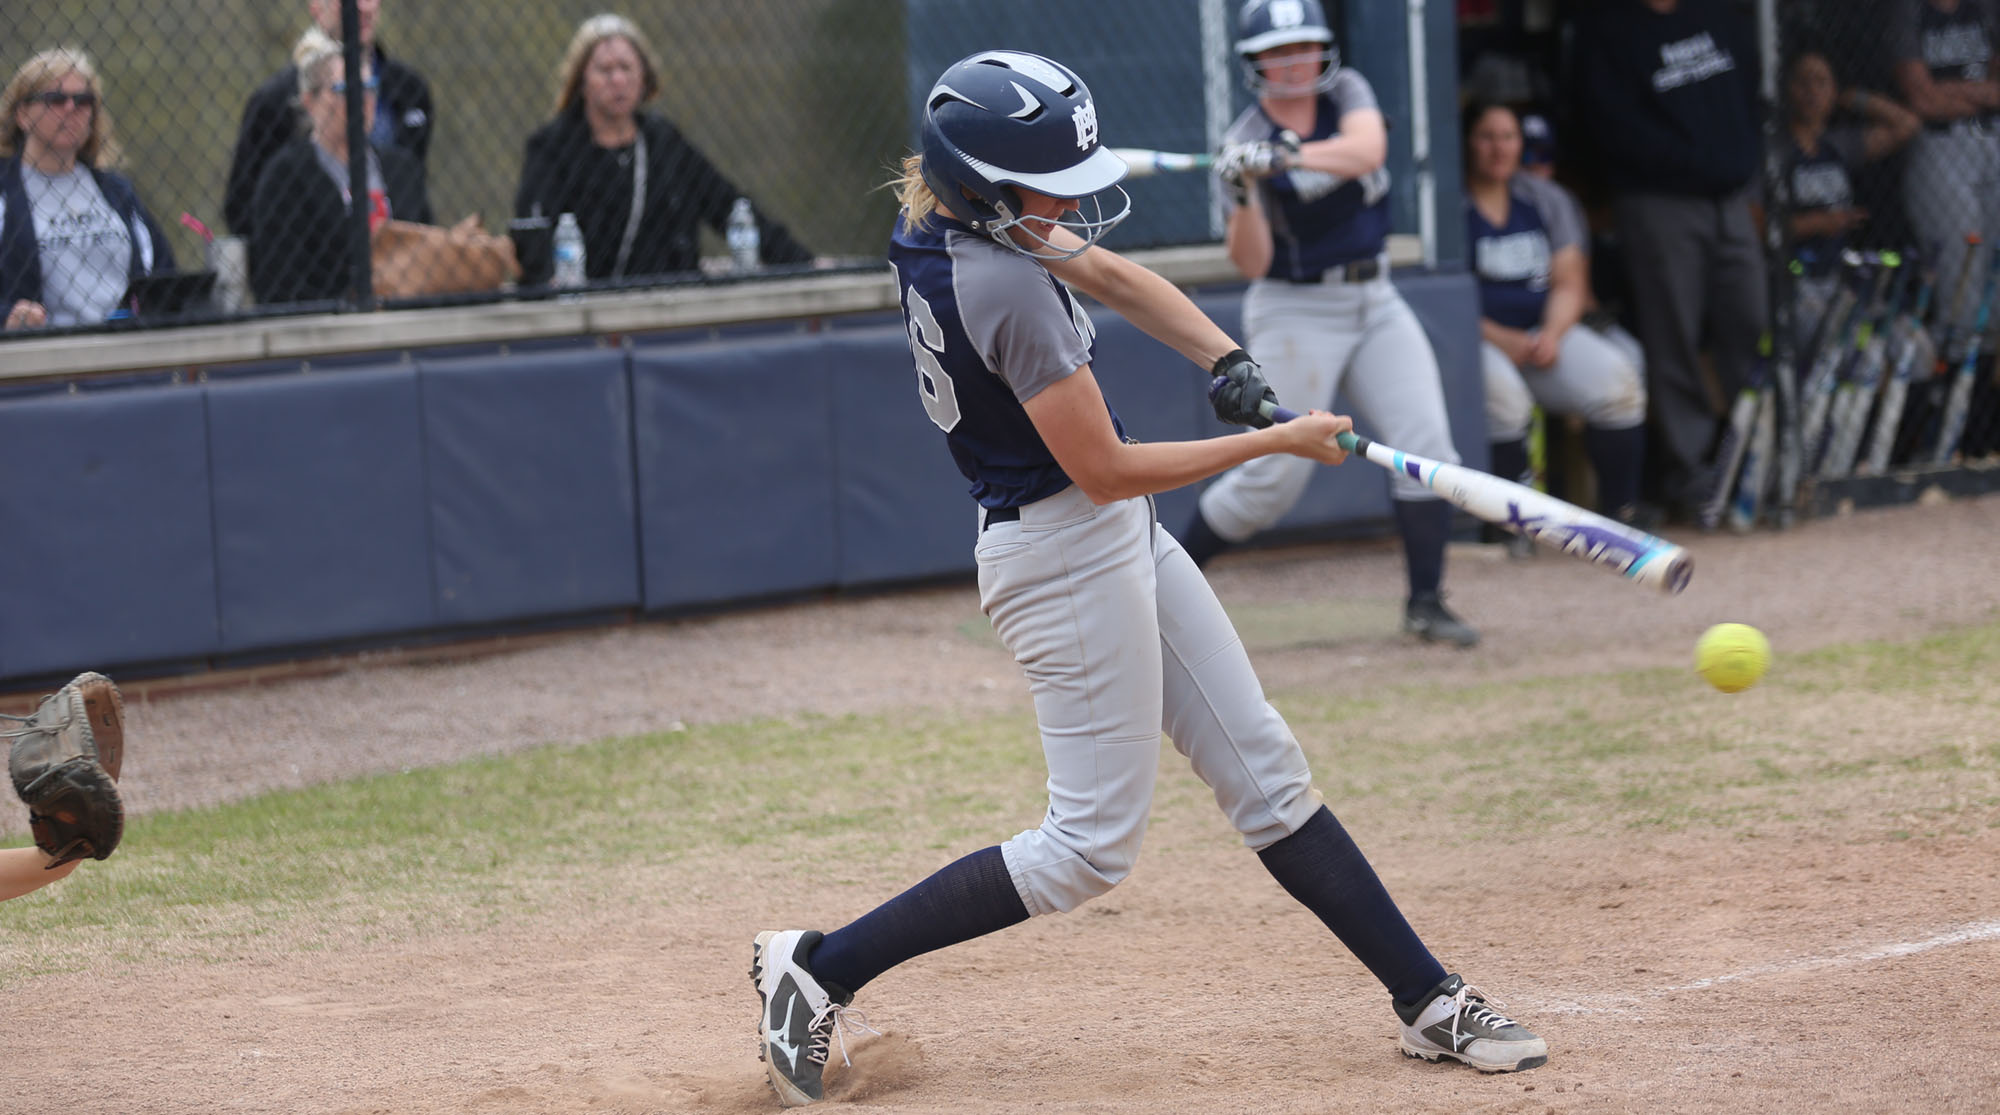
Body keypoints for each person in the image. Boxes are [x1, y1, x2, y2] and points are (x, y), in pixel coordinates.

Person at [747, 48, 1548, 1109]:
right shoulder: (997, 280)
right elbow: (1104, 464)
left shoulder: (960, 218)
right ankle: (820, 965)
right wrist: (1274, 444)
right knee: (1085, 847)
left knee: (1263, 767)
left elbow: (1112, 274)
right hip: (1060, 547)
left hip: (1102, 532)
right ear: (986, 186)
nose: (1070, 206)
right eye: (1049, 187)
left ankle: (1426, 996)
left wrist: (1229, 364)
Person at [1171, 0, 1482, 647]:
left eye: (1303, 47)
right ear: (1256, 63)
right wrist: (1244, 188)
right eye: (1278, 53)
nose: (1293, 64)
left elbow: (1368, 150)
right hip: (1295, 305)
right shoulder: (1242, 136)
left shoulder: (1346, 92)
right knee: (1274, 475)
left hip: (1374, 296)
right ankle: (1159, 584)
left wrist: (1284, 159)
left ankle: (1425, 600)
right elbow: (1251, 259)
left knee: (1425, 445)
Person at [1572, 0, 1768, 521]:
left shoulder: (1719, 16)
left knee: (1751, 320)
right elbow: (1609, 124)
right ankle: (1692, 472)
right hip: (1659, 202)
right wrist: (1691, 162)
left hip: (1729, 196)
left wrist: (1736, 161)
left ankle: (1755, 455)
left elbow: (1749, 90)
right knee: (1673, 334)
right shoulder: (1611, 29)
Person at [512, 14, 812, 285]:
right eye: (604, 70)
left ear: (644, 78)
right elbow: (533, 232)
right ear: (582, 82)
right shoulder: (552, 147)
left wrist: (804, 263)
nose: (618, 80)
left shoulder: (663, 142)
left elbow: (727, 204)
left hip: (671, 296)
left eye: (627, 68)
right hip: (587, 304)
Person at [1463, 100, 1649, 529]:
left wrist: (1550, 333)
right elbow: (1447, 300)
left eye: (1508, 137)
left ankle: (1619, 518)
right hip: (1480, 339)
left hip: (1540, 335)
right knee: (1507, 404)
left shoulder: (1543, 198)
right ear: (1468, 143)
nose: (1499, 148)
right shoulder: (1453, 204)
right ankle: (1510, 531)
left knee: (1618, 385)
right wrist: (1500, 338)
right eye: (1487, 137)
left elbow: (1570, 281)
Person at [248, 29, 432, 306]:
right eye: (345, 90)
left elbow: (431, 254)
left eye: (370, 88)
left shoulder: (401, 168)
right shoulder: (286, 177)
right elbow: (278, 282)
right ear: (310, 102)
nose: (362, 101)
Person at [224, 0, 431, 240]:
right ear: (316, 8)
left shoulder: (410, 90)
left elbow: (415, 196)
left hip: (397, 261)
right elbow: (241, 208)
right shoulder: (274, 101)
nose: (361, 7)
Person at [1, 47, 176, 331]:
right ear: (22, 114)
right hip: (42, 357)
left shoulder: (115, 191)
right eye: (55, 99)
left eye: (83, 101)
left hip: (126, 346)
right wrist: (8, 317)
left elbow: (164, 272)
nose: (71, 109)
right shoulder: (6, 194)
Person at [1773, 49, 1921, 347]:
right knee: (1839, 343)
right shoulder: (1777, 152)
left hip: (1838, 278)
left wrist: (1856, 99)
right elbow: (1759, 224)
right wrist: (1816, 223)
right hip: (1794, 279)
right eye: (1802, 82)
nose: (1812, 91)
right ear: (1787, 89)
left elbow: (1907, 125)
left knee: (1908, 345)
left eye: (1821, 82)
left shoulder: (1839, 145)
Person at [1889, 0, 2000, 325]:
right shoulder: (1909, 11)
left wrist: (1946, 90)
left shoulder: (1985, 7)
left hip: (1992, 137)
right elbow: (1921, 99)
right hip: (1939, 143)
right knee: (1960, 259)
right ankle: (1958, 358)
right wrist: (1981, 93)